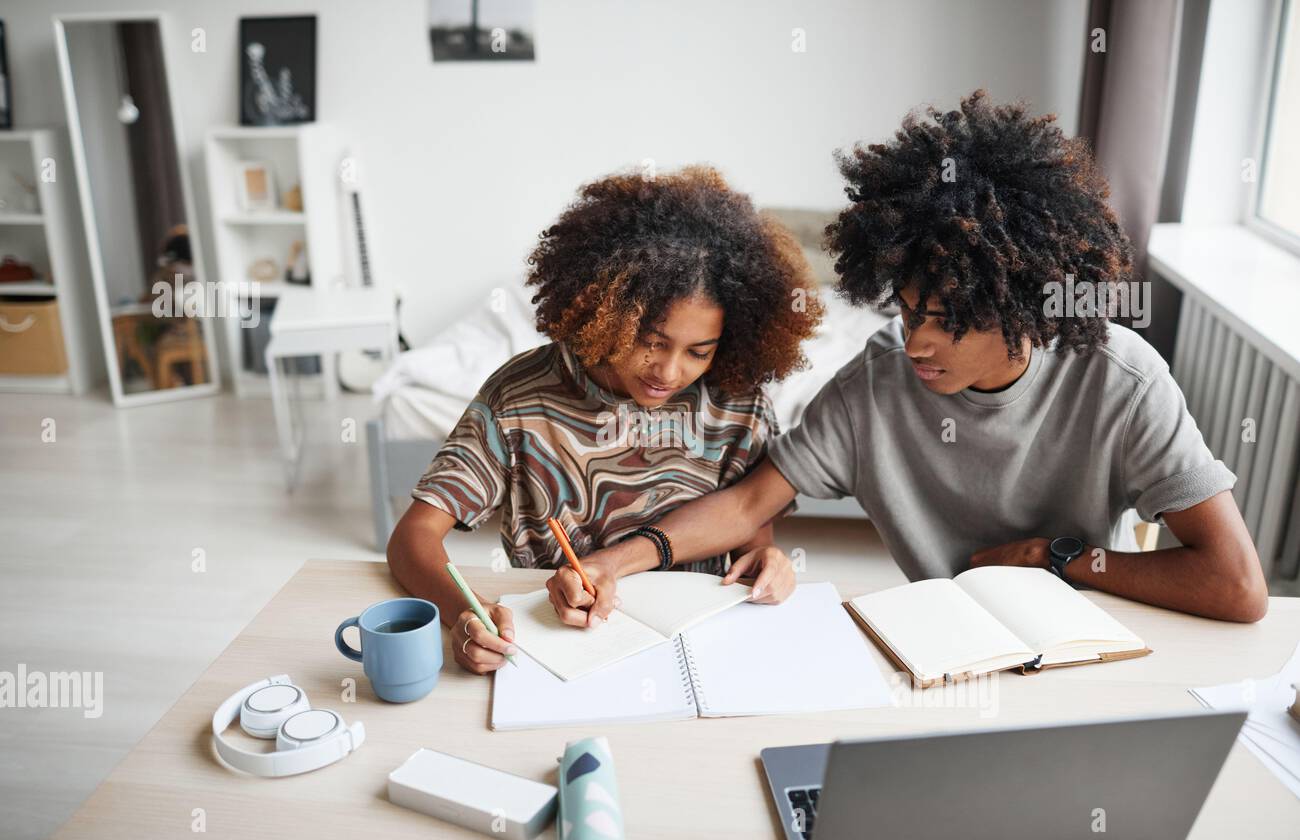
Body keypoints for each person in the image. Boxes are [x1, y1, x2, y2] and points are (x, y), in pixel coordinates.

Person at [546, 91, 1267, 627]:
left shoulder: (1124, 381)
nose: (916, 341)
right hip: (943, 640)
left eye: (949, 320)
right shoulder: (879, 383)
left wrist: (1055, 556)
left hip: (1083, 632)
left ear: (1029, 307)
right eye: (910, 309)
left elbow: (1237, 587)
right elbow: (745, 504)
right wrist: (611, 564)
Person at [388, 165, 823, 673]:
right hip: (560, 641)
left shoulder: (737, 402)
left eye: (698, 351)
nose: (669, 371)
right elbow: (412, 538)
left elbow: (750, 521)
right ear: (611, 315)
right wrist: (465, 613)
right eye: (652, 342)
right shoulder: (522, 398)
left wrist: (766, 558)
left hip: (697, 643)